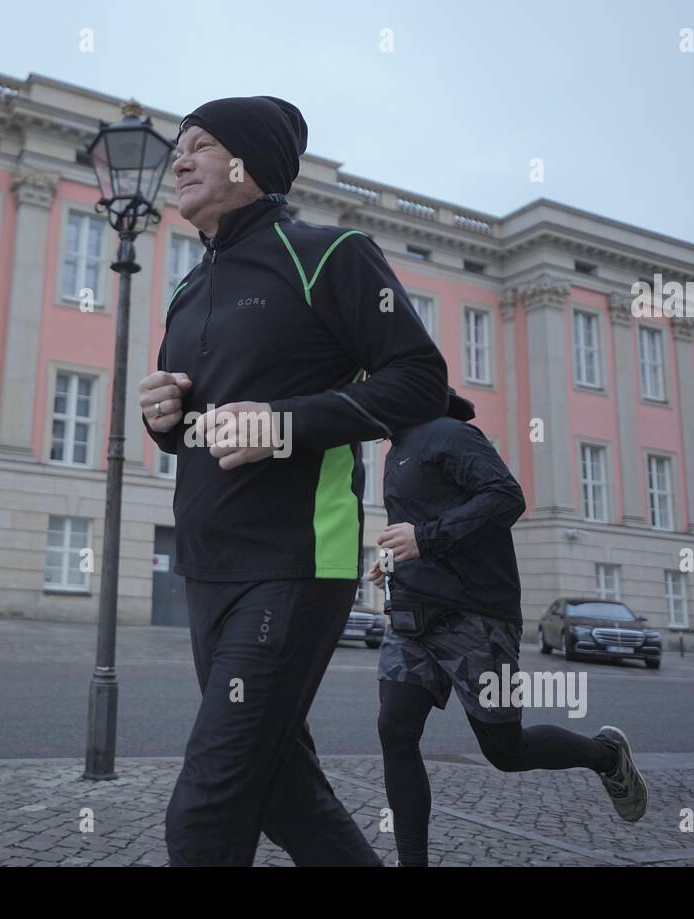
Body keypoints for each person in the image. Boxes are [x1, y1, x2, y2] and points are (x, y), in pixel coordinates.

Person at [139, 95, 449, 866]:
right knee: (281, 787)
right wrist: (164, 418)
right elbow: (201, 431)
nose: (179, 160)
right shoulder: (187, 289)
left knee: (206, 808)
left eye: (201, 145)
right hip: (206, 565)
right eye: (180, 146)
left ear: (249, 165)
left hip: (297, 561)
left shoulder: (331, 253)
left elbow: (420, 382)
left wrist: (285, 422)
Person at [368, 389, 649, 867]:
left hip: (476, 615)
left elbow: (506, 497)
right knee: (395, 731)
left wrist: (424, 537)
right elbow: (418, 530)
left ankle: (606, 756)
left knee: (505, 749)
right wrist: (395, 559)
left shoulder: (451, 435)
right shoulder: (396, 452)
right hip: (413, 615)